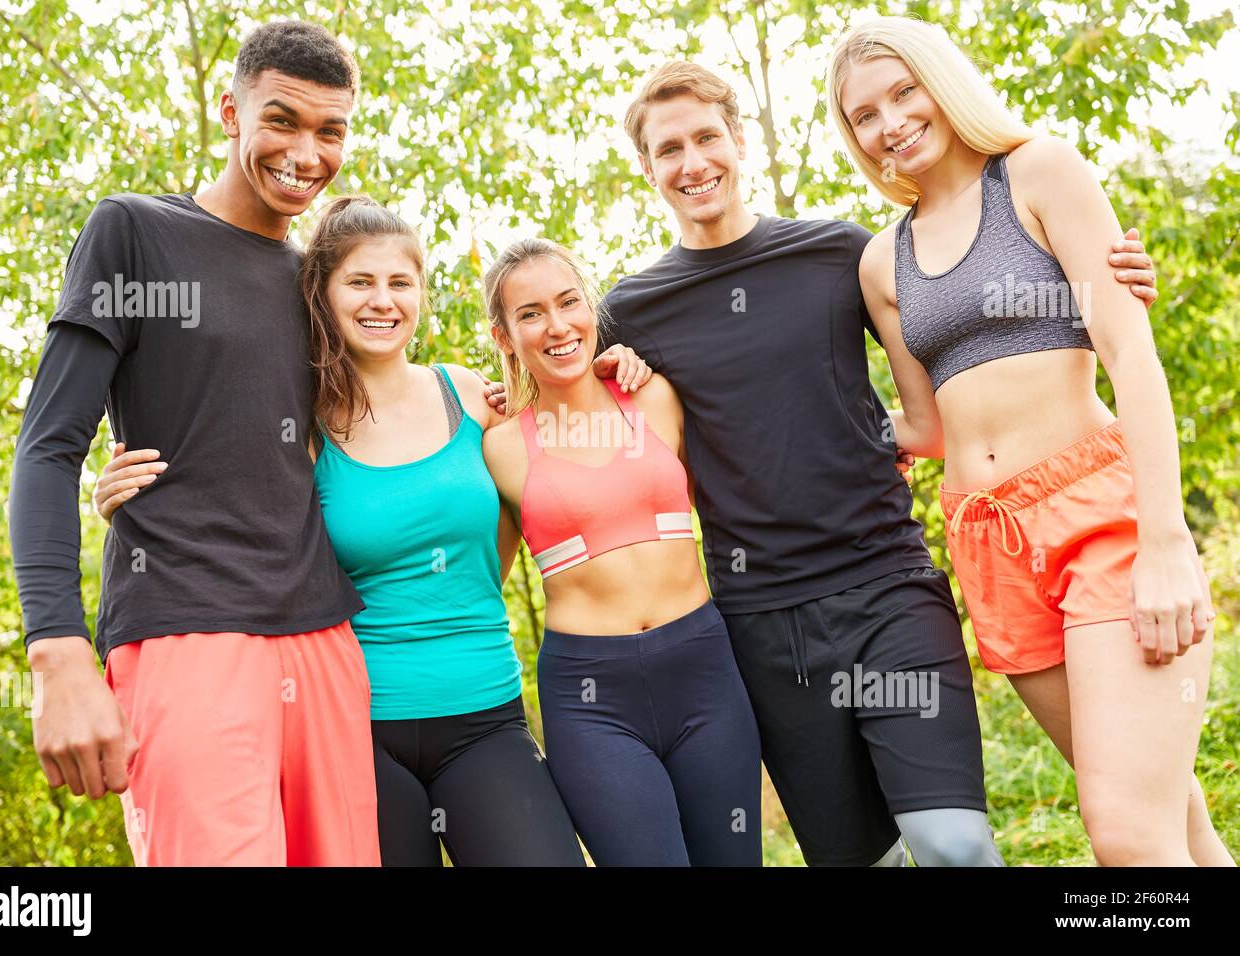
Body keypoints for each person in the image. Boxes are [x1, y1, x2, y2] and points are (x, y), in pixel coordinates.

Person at [595, 60, 1160, 866]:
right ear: (646, 168)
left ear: (740, 140)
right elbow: (592, 427)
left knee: (954, 845)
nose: (693, 163)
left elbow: (952, 341)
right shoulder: (632, 308)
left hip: (888, 587)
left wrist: (1109, 283)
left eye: (706, 137)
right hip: (763, 621)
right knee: (869, 862)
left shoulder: (839, 255)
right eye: (669, 150)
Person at [96, 199, 651, 865]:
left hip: (485, 718)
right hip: (357, 733)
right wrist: (122, 502)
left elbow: (568, 471)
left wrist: (614, 376)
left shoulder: (471, 397)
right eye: (360, 282)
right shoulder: (297, 431)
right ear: (323, 296)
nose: (382, 301)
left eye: (400, 282)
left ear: (421, 291)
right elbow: (218, 511)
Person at [830, 16, 1232, 866]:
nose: (891, 122)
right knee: (1170, 820)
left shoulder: (1038, 173)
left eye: (905, 92)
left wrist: (1165, 540)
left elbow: (1130, 351)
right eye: (865, 114)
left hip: (1098, 520)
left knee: (1125, 835)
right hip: (988, 543)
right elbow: (930, 424)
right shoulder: (881, 262)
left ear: (944, 83)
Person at [8, 20, 382, 866]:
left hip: (325, 637)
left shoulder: (323, 281)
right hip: (185, 629)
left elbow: (385, 416)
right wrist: (57, 650)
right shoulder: (134, 232)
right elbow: (48, 445)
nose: (306, 151)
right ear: (230, 110)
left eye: (331, 131)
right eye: (281, 119)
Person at [481, 238, 763, 866]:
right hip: (591, 700)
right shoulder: (498, 446)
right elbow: (476, 577)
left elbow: (753, 478)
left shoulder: (658, 398)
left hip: (704, 674)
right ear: (504, 336)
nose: (556, 326)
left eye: (568, 302)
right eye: (529, 314)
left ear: (591, 309)